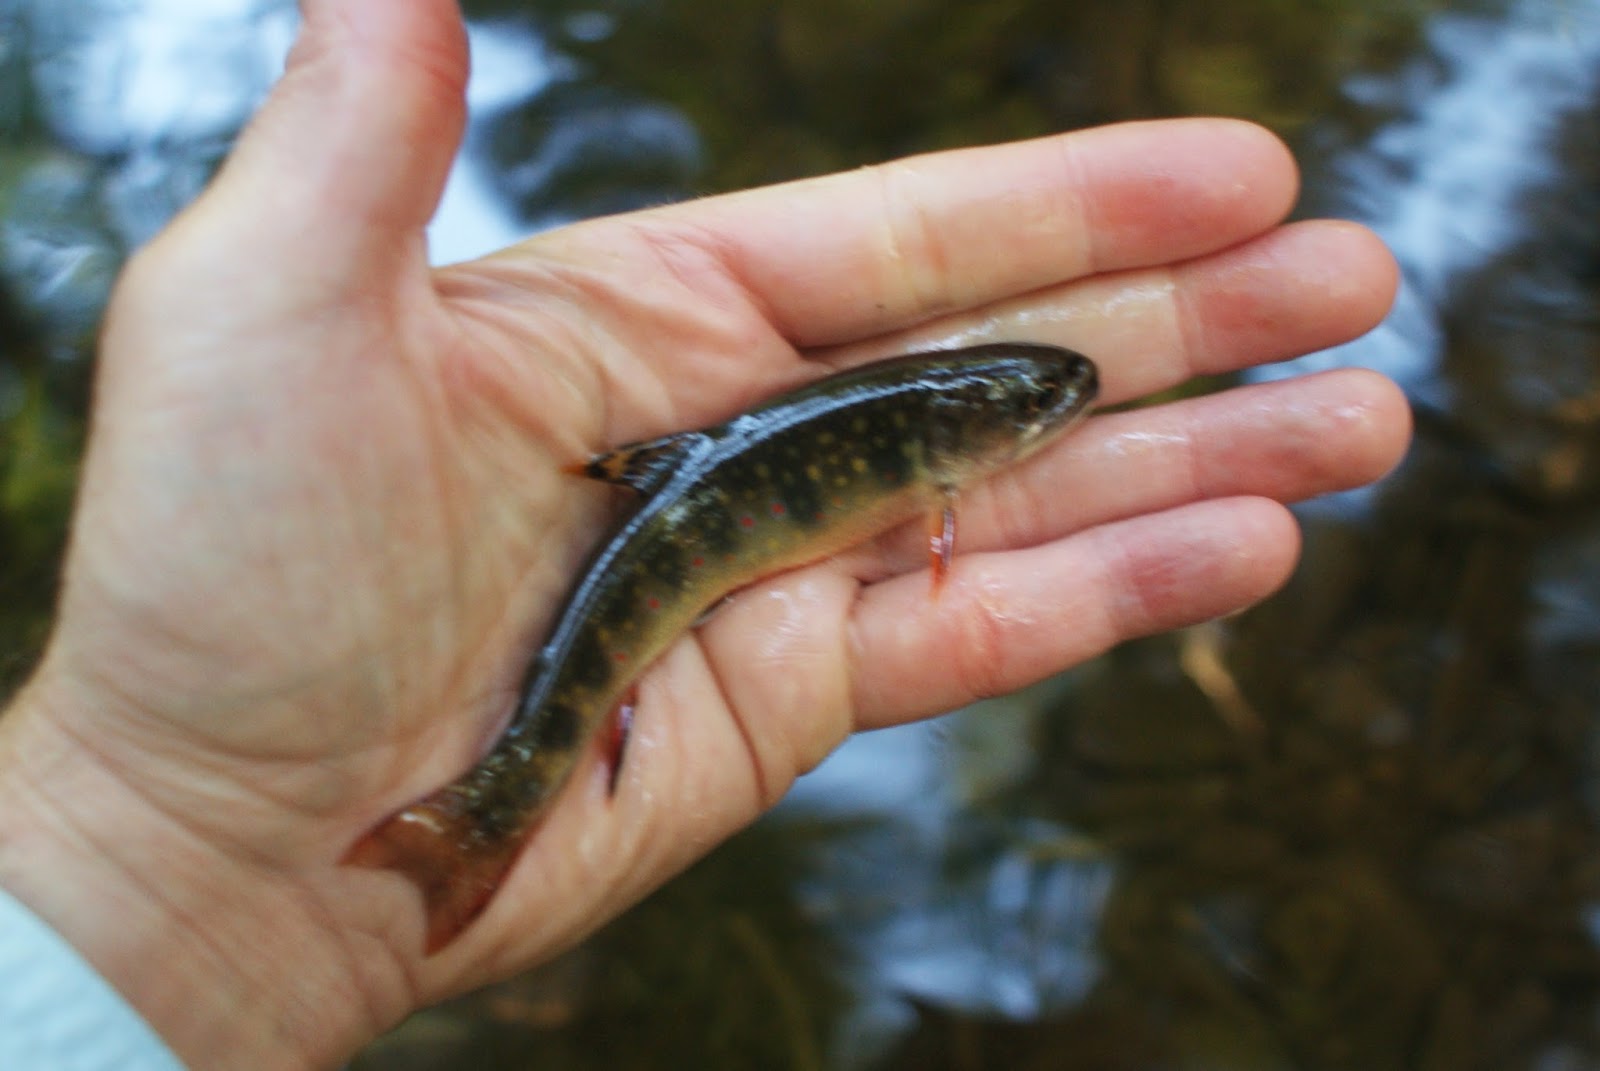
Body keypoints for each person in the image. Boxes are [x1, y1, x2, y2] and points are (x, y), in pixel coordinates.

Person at [0, 0, 1410, 1067]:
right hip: (670, 542)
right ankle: (486, 810)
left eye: (1035, 404)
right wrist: (187, 840)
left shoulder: (921, 449)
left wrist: (176, 865)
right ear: (954, 444)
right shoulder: (914, 458)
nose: (1053, 410)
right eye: (1028, 405)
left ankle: (478, 818)